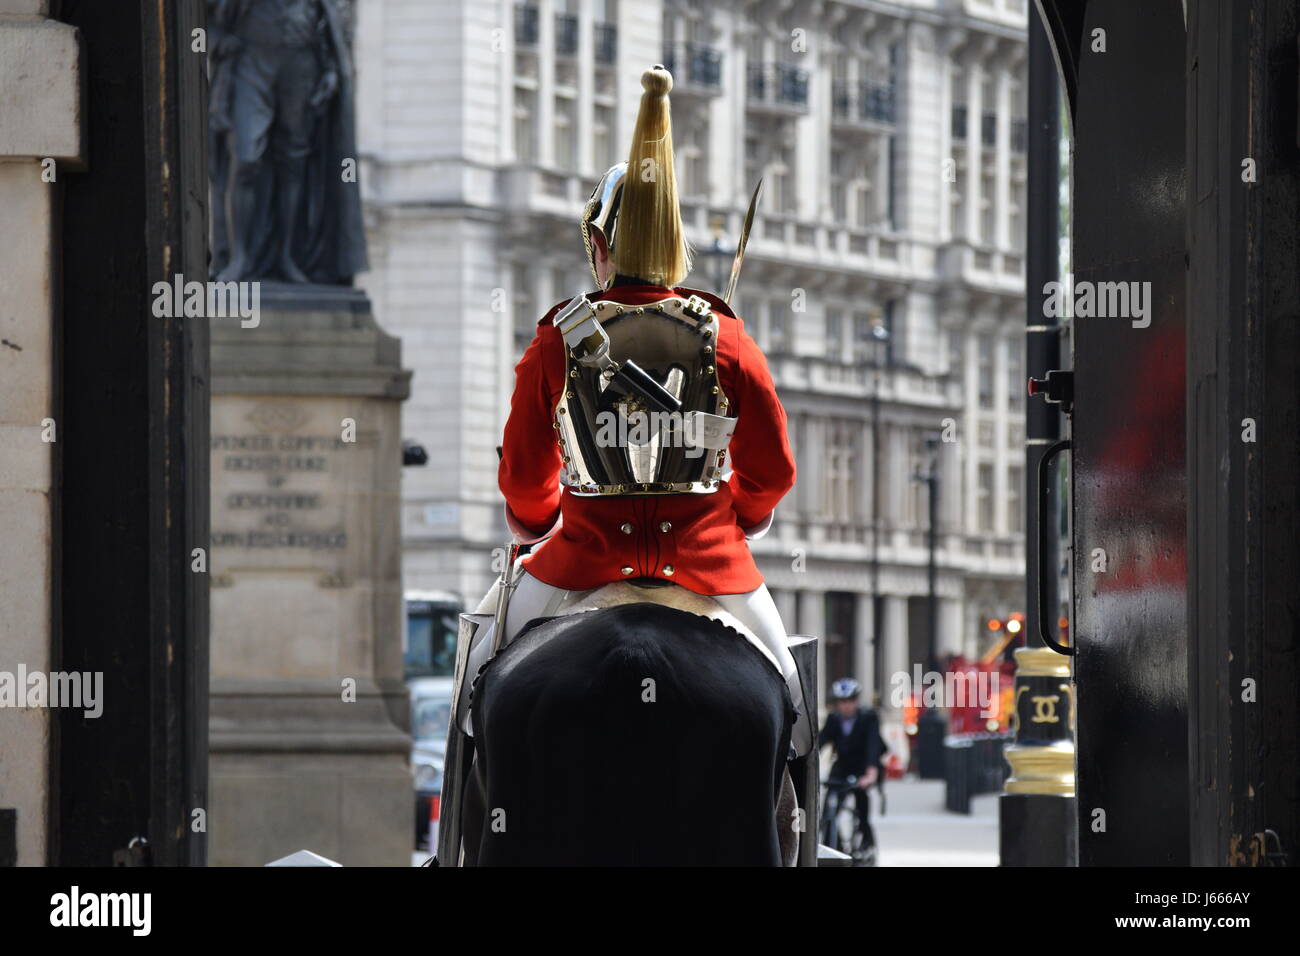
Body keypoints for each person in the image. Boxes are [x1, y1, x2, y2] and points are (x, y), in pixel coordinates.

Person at [463, 64, 811, 755]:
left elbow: (526, 481)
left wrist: (535, 521)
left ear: (598, 247)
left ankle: (459, 852)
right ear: (676, 245)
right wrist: (739, 514)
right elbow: (771, 471)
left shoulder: (556, 340)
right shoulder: (726, 336)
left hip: (580, 563)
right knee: (796, 713)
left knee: (475, 674)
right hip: (711, 567)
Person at [818, 678, 889, 861]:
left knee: (861, 806)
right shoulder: (833, 719)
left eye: (850, 701)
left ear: (856, 701)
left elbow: (873, 746)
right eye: (842, 702)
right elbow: (821, 741)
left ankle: (866, 843)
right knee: (829, 809)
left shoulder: (868, 717)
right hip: (841, 767)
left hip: (863, 767)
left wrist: (871, 773)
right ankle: (832, 846)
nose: (846, 706)